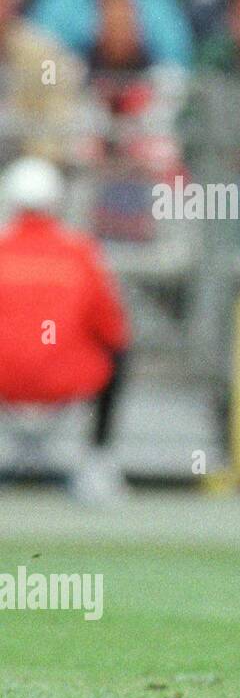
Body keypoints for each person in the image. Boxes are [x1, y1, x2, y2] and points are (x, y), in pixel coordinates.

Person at [0, 158, 130, 503]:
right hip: (67, 378)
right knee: (119, 355)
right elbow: (113, 330)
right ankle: (97, 463)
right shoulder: (80, 252)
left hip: (4, 378)